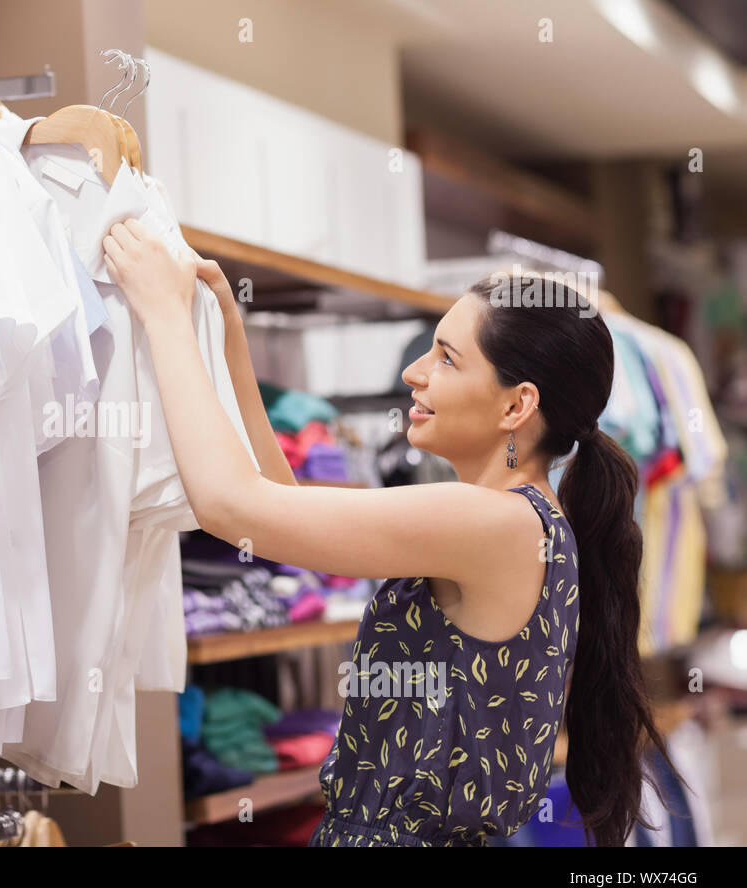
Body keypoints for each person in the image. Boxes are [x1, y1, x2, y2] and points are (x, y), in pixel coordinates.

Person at [101, 218, 683, 847]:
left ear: (516, 406)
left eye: (446, 358)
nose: (414, 371)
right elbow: (280, 514)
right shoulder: (510, 520)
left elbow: (231, 509)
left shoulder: (494, 521)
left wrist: (162, 315)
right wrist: (230, 349)